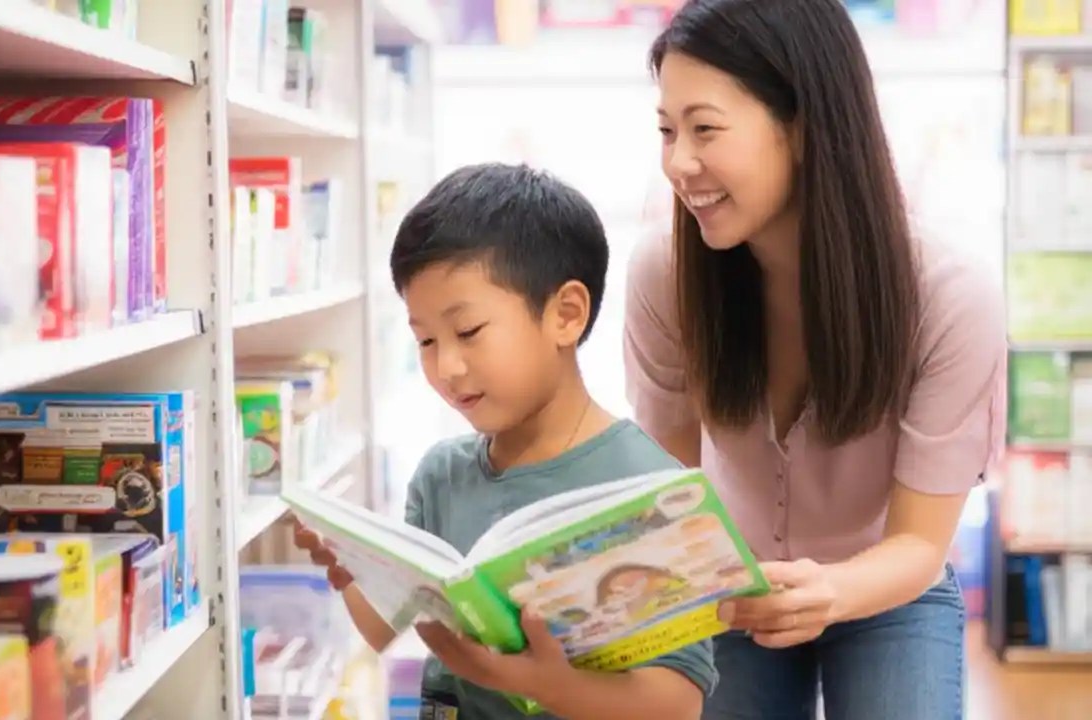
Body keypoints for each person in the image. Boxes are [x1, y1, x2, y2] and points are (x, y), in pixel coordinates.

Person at [623, 1, 1007, 718]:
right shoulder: (664, 275)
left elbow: (919, 547)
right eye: (667, 131)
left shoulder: (951, 295)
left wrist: (832, 593)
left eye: (705, 129)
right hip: (729, 590)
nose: (679, 162)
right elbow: (669, 493)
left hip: (888, 586)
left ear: (803, 125)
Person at [294, 162, 712, 720]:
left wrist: (545, 683)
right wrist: (354, 564)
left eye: (468, 332)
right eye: (425, 340)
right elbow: (377, 627)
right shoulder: (442, 474)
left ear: (566, 315)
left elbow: (677, 704)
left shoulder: (648, 486)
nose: (447, 366)